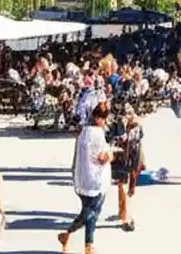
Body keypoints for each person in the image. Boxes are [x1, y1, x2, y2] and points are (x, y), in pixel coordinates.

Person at [58, 103, 112, 254]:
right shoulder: (97, 133)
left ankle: (88, 244)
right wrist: (112, 154)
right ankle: (69, 234)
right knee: (90, 213)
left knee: (91, 212)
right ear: (98, 118)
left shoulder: (84, 132)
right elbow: (103, 157)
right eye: (103, 118)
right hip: (95, 180)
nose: (104, 121)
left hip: (82, 178)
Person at [108, 108, 144, 232]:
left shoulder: (135, 126)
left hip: (129, 161)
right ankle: (122, 213)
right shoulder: (121, 124)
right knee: (121, 186)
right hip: (124, 160)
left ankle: (126, 217)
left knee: (126, 188)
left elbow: (128, 140)